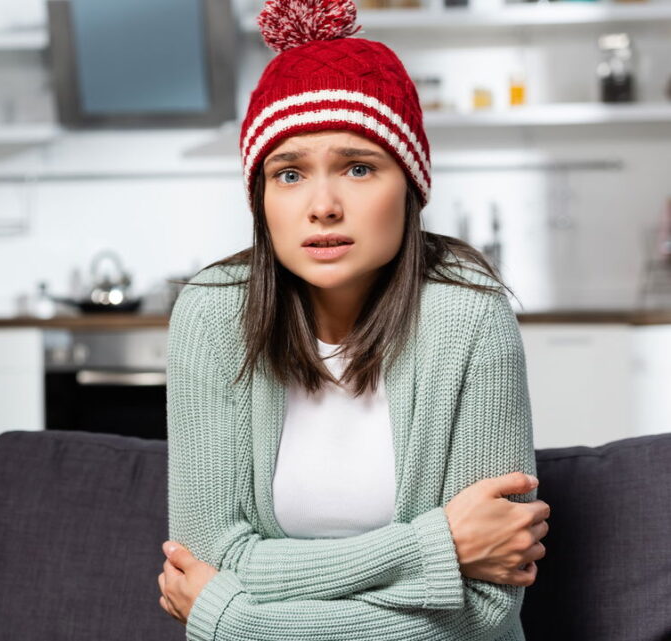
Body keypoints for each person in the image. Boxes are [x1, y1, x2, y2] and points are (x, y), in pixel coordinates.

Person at [156, 0, 551, 639]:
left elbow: (482, 610)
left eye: (359, 167)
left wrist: (234, 620)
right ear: (261, 198)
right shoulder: (212, 312)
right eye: (289, 174)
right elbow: (205, 559)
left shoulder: (469, 314)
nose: (322, 206)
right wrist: (437, 549)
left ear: (412, 186)